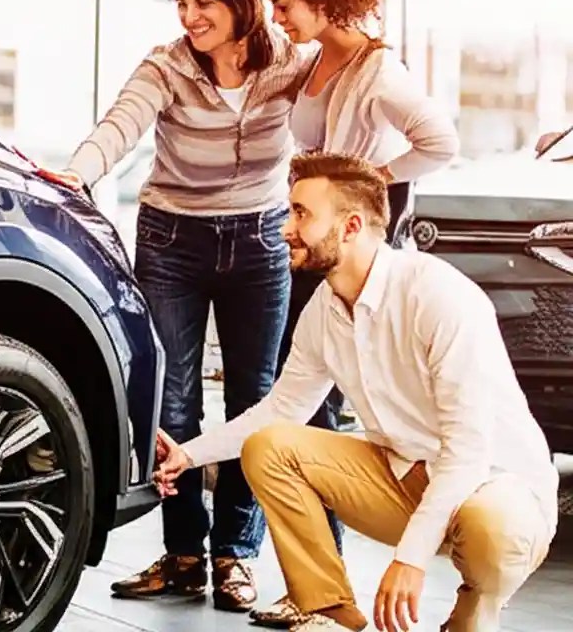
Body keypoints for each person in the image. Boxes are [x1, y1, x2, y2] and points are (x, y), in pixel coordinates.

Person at [152, 153, 559, 632]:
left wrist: (409, 560)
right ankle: (329, 612)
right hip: (405, 476)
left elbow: (467, 451)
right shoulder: (325, 309)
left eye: (302, 213)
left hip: (497, 487)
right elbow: (282, 408)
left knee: (493, 531)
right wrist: (189, 455)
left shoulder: (438, 295)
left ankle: (472, 612)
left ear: (350, 226)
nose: (286, 228)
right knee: (272, 447)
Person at [48, 0, 312, 612]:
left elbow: (342, 95)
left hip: (261, 240)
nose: (190, 18)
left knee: (256, 394)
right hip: (173, 238)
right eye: (183, 4)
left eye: (204, 4)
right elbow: (121, 125)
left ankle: (235, 557)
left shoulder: (288, 63)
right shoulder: (167, 65)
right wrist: (81, 169)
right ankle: (185, 554)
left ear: (240, 2)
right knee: (174, 398)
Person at [238, 0, 461, 622]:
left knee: (313, 409)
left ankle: (318, 593)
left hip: (346, 251)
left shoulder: (378, 68)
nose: (278, 16)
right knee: (300, 402)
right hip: (310, 247)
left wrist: (370, 177)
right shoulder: (313, 62)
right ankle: (314, 586)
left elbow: (441, 141)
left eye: (284, 3)